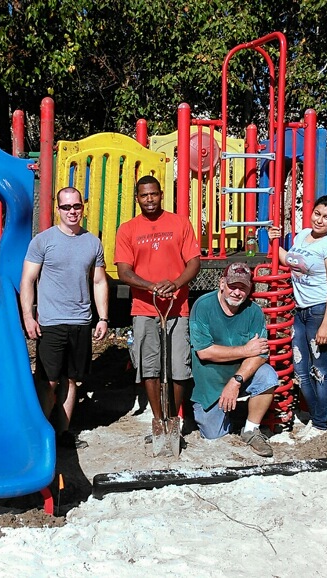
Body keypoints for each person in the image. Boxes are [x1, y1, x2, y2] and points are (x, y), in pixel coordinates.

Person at [20, 187, 110, 450]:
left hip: (80, 321)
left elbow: (99, 281)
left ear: (83, 207)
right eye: (66, 207)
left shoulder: (92, 242)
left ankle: (63, 433)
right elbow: (28, 280)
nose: (72, 212)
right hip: (50, 321)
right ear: (57, 209)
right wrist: (28, 315)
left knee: (71, 379)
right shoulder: (43, 241)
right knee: (48, 380)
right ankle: (40, 431)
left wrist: (103, 317)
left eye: (77, 206)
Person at [115, 175, 201, 442]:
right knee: (148, 367)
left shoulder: (179, 223)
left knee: (178, 367)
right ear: (137, 198)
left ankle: (173, 420)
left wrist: (174, 284)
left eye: (153, 194)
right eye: (144, 195)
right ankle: (158, 421)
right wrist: (152, 287)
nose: (149, 199)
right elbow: (124, 272)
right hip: (144, 307)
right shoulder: (127, 229)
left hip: (178, 307)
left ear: (161, 194)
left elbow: (194, 263)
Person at [268, 196, 327, 438]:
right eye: (317, 213)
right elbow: (292, 262)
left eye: (326, 217)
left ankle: (321, 423)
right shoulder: (302, 236)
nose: (320, 219)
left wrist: (326, 325)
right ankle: (316, 414)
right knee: (301, 368)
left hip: (323, 311)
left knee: (321, 368)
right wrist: (274, 242)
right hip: (301, 311)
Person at [189, 262, 278, 457]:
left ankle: (251, 429)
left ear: (249, 289)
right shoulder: (203, 306)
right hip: (210, 375)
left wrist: (236, 381)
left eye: (243, 287)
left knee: (268, 376)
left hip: (240, 374)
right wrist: (245, 350)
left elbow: (261, 354)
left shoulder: (254, 311)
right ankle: (217, 411)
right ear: (222, 284)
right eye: (233, 286)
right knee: (213, 436)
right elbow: (204, 351)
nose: (237, 292)